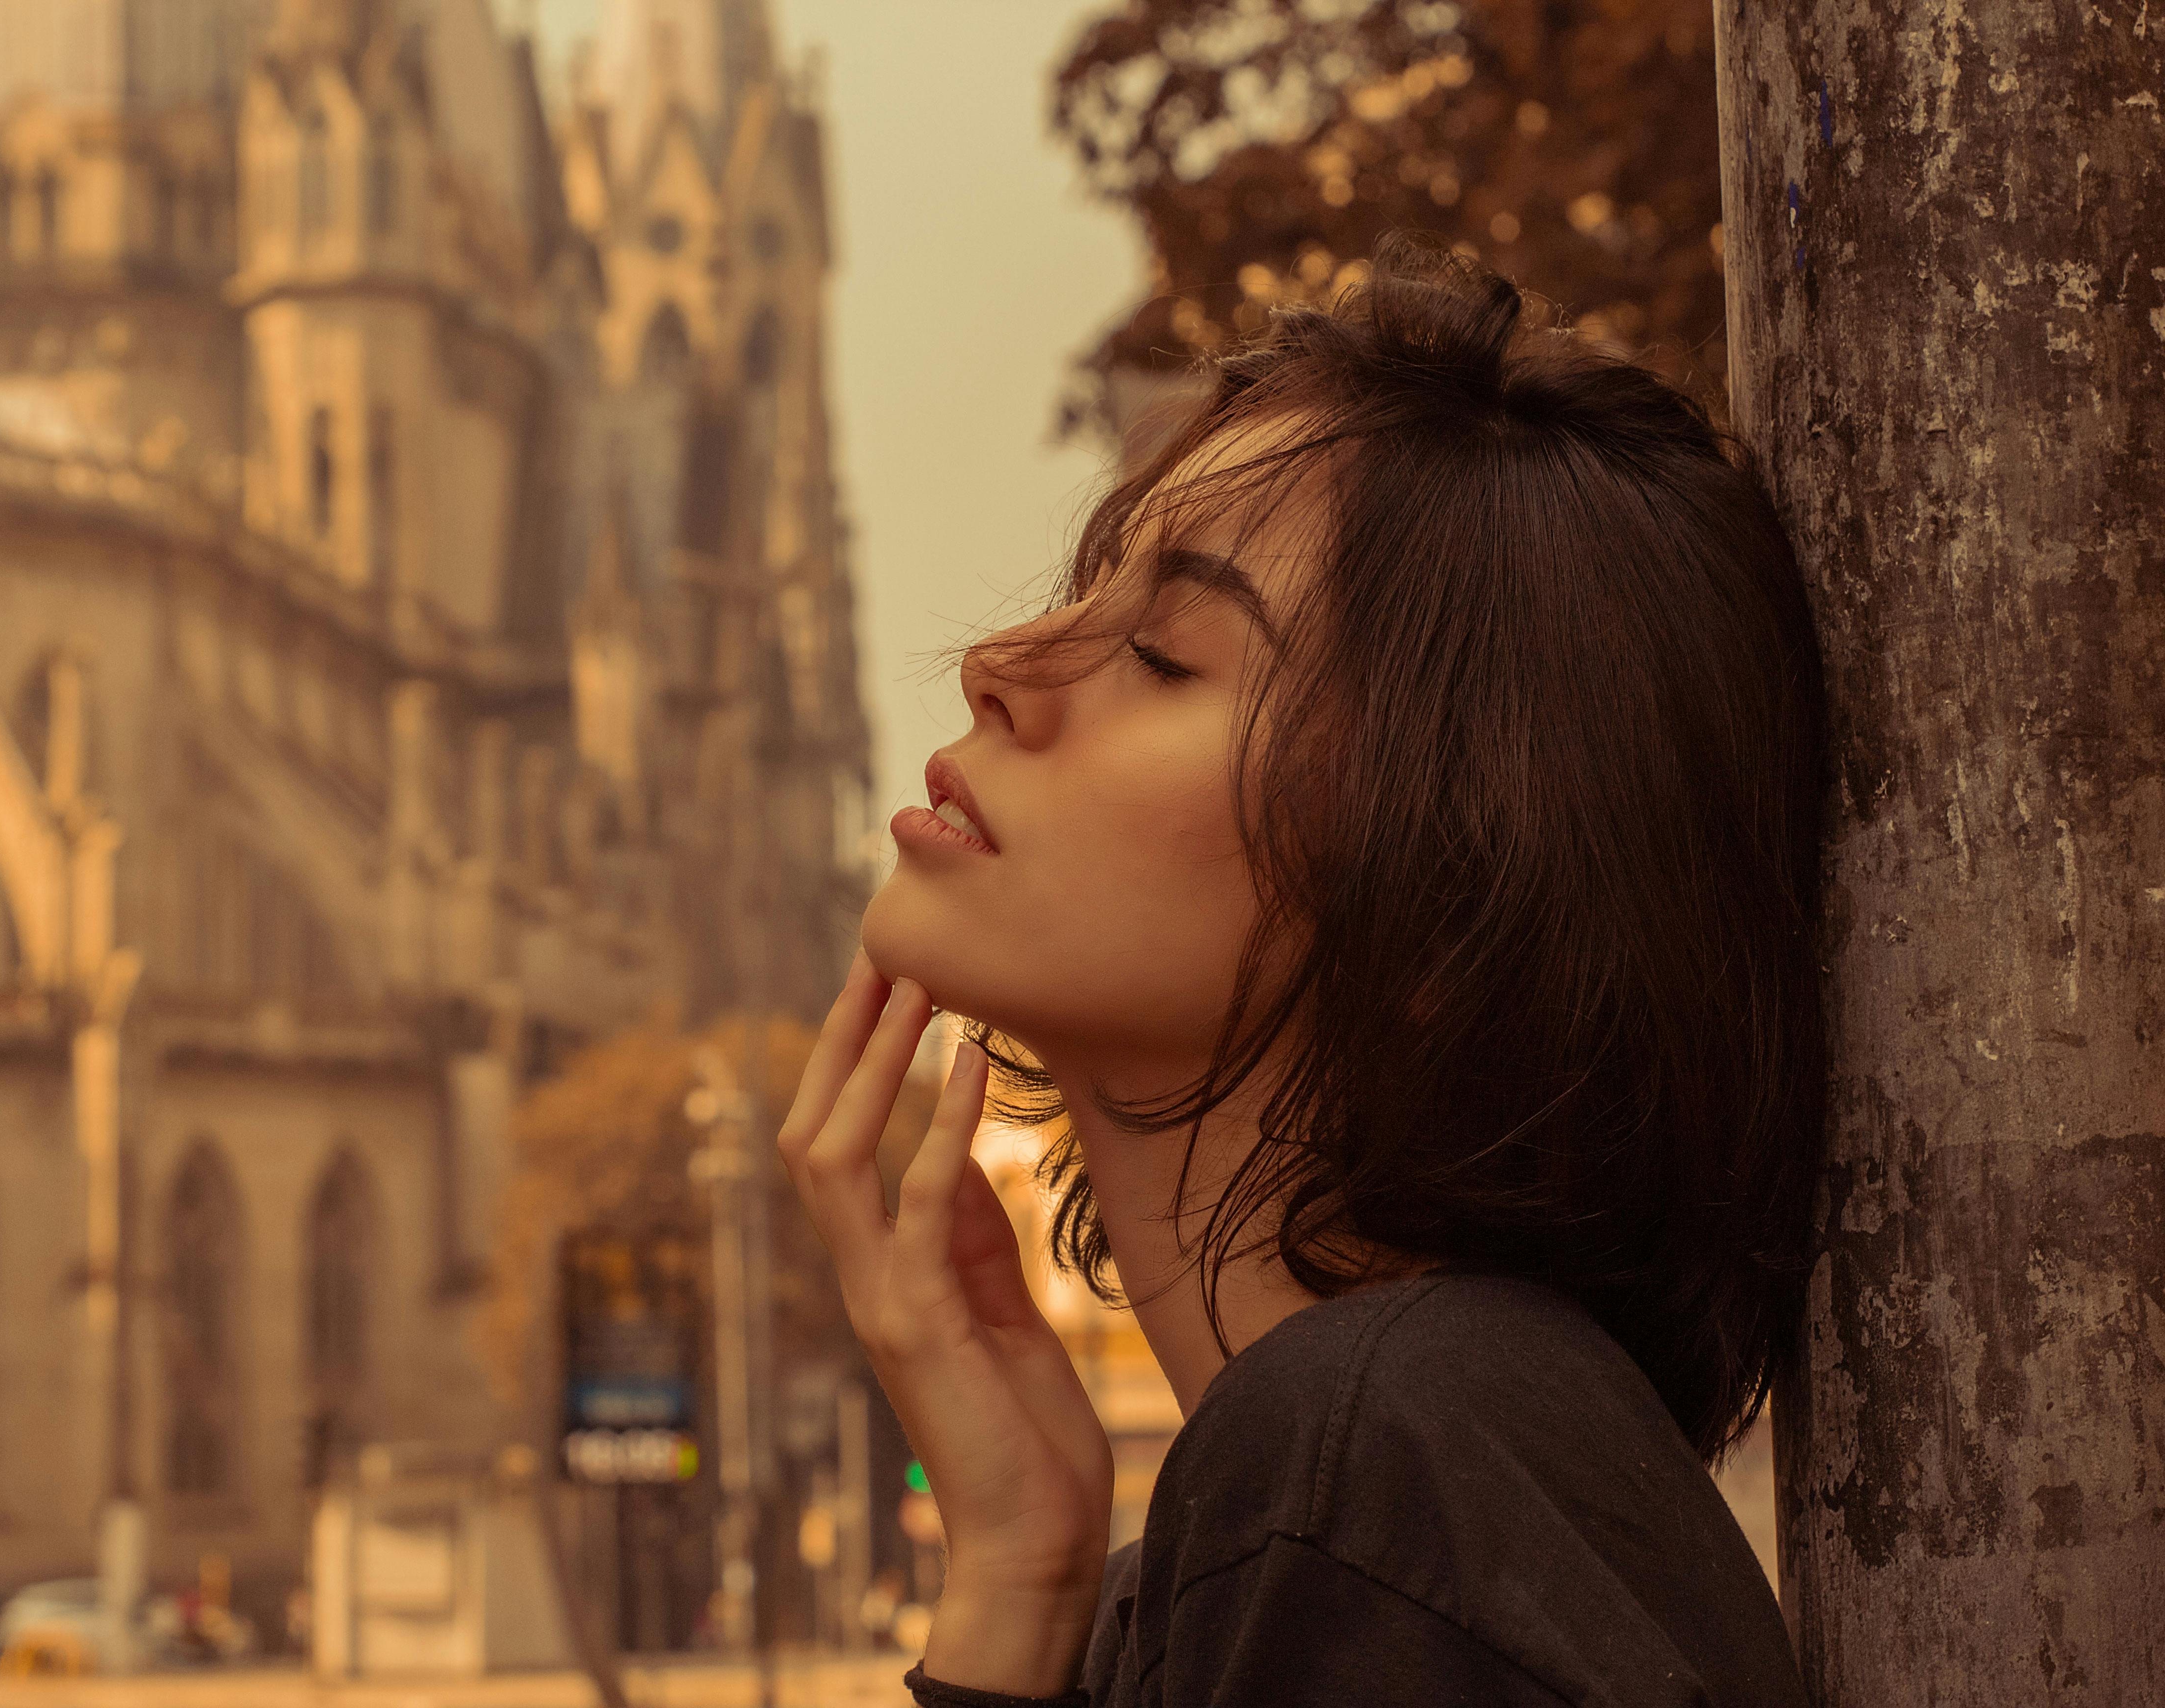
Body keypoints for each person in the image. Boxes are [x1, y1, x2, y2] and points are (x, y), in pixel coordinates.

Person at [778, 236, 1821, 1707]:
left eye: (1161, 656)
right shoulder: (1347, 1495)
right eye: (1087, 591)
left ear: (1446, 895)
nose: (1002, 662)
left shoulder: (1375, 1470)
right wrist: (1017, 1577)